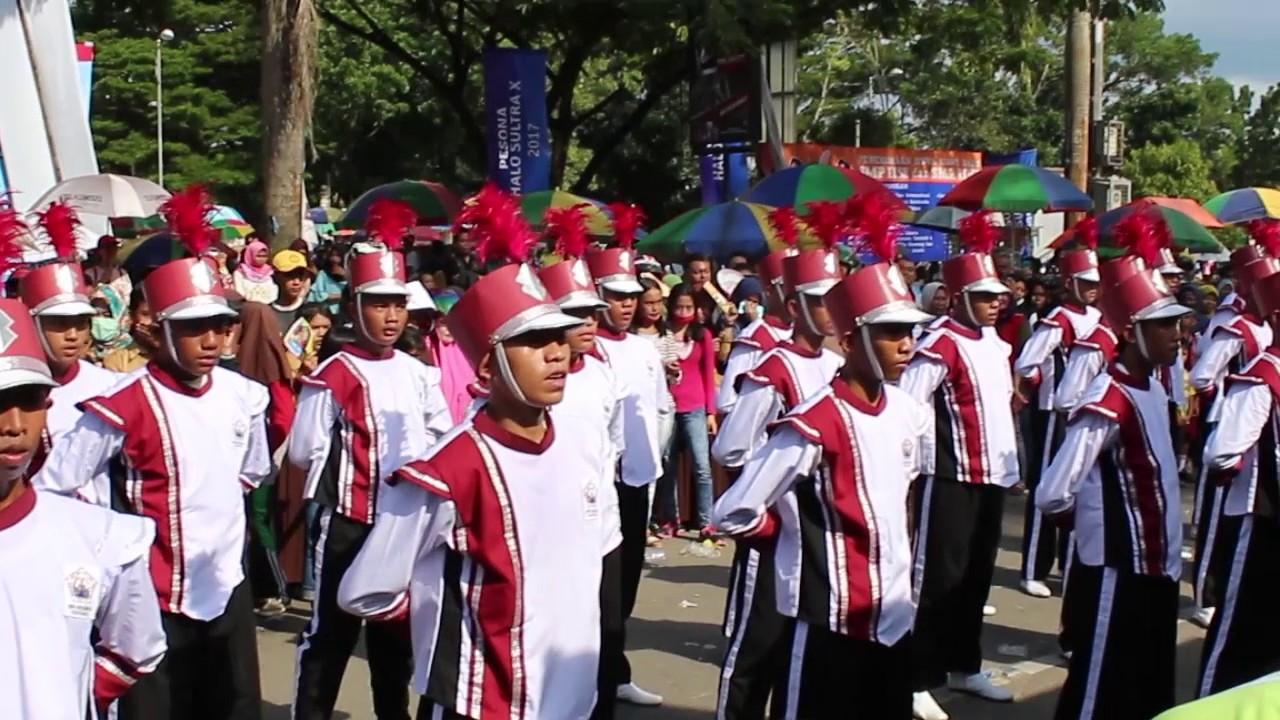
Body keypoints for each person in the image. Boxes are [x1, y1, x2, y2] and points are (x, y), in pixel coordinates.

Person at [336, 186, 612, 719]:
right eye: (534, 343)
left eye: (560, 337)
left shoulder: (583, 439)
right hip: (482, 704)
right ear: (487, 366)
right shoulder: (449, 469)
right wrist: (443, 621)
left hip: (572, 697)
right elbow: (367, 590)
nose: (557, 354)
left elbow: (590, 555)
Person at [33, 185, 272, 720]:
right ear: (157, 329)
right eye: (192, 328)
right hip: (153, 593)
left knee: (233, 706)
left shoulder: (244, 395)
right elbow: (57, 483)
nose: (209, 341)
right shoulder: (124, 403)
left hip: (227, 584)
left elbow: (250, 471)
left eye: (219, 326)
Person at [712, 233, 933, 719]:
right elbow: (731, 495)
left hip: (892, 614)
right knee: (757, 655)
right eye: (892, 333)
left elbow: (901, 494)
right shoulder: (813, 415)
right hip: (828, 613)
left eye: (910, 331)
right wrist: (787, 530)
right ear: (853, 341)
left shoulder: (907, 409)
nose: (907, 345)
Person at [289, 206, 453, 720]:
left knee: (394, 639)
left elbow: (442, 433)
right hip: (348, 524)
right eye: (379, 305)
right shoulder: (335, 373)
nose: (391, 317)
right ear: (354, 308)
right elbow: (302, 449)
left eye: (398, 305)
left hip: (403, 527)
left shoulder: (418, 371)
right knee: (331, 636)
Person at [708, 199, 854, 720]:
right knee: (756, 648)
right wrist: (764, 497)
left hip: (821, 530)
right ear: (794, 307)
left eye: (837, 299)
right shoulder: (773, 368)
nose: (831, 311)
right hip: (774, 530)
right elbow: (730, 446)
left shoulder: (837, 364)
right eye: (819, 301)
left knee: (802, 650)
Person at [0, 295, 167, 720]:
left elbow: (137, 646)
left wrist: (66, 694)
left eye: (30, 400)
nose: (14, 425)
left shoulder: (100, 538)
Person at [1036, 267, 1190, 720]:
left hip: (1158, 566)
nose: (1177, 335)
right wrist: (1093, 529)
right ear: (1129, 332)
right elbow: (1053, 491)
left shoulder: (1154, 390)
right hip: (1118, 569)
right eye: (1163, 325)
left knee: (1146, 684)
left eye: (1176, 323)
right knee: (1099, 685)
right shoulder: (1108, 398)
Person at [899, 211, 1019, 720]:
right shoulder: (941, 342)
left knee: (976, 574)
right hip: (949, 477)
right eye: (985, 296)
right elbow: (909, 404)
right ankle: (916, 677)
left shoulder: (994, 342)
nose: (996, 303)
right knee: (936, 577)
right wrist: (910, 467)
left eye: (998, 296)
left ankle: (964, 665)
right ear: (960, 296)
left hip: (991, 477)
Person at [586, 203, 666, 708]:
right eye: (616, 297)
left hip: (638, 479)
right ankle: (596, 671)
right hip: (599, 483)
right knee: (599, 587)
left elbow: (658, 409)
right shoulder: (587, 350)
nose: (626, 305)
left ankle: (614, 669)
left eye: (631, 297)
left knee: (628, 580)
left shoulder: (643, 348)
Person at [1197, 269, 1280, 697]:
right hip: (1259, 521)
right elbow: (1222, 452)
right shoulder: (1260, 376)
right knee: (1238, 633)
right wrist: (1256, 481)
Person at [1014, 236, 1101, 600]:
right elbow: (1027, 361)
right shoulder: (1058, 319)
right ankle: (1034, 567)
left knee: (1078, 488)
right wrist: (1044, 381)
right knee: (1048, 486)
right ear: (1070, 283)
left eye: (1096, 283)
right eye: (1086, 283)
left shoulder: (1099, 318)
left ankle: (1070, 564)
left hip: (1088, 412)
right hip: (1055, 413)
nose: (1093, 289)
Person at [17, 203, 121, 494]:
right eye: (60, 324)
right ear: (33, 323)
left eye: (81, 323)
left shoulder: (111, 386)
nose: (73, 335)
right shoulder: (12, 394)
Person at [234, 301, 299, 618]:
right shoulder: (241, 360)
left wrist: (263, 449)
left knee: (259, 519)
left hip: (266, 456)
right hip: (248, 454)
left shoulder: (270, 365)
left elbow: (284, 416)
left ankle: (276, 587)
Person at [653, 283, 719, 538]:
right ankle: (671, 519)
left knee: (702, 465)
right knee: (667, 465)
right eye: (679, 307)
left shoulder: (703, 335)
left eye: (688, 307)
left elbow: (708, 374)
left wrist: (711, 412)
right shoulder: (662, 334)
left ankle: (706, 522)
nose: (683, 312)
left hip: (695, 406)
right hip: (667, 405)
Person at [716, 208, 796, 416]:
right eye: (787, 287)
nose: (795, 296)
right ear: (770, 292)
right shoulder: (754, 337)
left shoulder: (802, 335)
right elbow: (727, 402)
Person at [102, 286, 159, 373]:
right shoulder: (117, 362)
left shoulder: (179, 354)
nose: (153, 322)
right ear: (132, 316)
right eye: (146, 314)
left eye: (159, 314)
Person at [270, 249, 316, 335]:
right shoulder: (266, 314)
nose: (296, 282)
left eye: (301, 276)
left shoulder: (313, 311)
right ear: (275, 277)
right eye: (289, 276)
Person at [233, 239, 280, 304]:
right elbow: (239, 292)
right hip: (248, 306)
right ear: (250, 255)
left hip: (269, 305)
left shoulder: (270, 272)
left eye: (264, 256)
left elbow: (274, 290)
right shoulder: (240, 273)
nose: (262, 259)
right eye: (258, 256)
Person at [306, 245, 347, 313]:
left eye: (338, 256)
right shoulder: (323, 274)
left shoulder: (350, 275)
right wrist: (340, 296)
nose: (334, 259)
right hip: (326, 311)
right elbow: (319, 295)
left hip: (344, 311)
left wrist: (345, 277)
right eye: (332, 255)